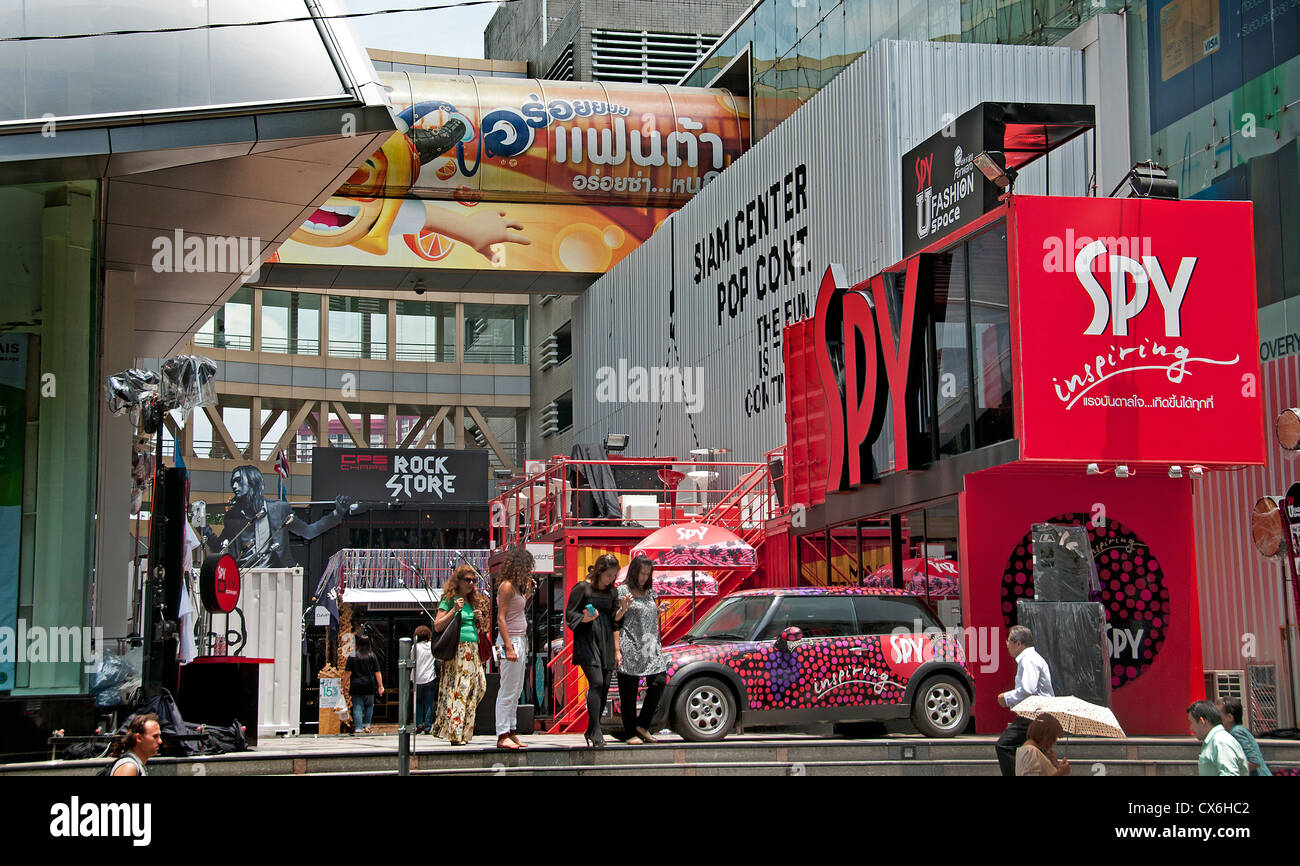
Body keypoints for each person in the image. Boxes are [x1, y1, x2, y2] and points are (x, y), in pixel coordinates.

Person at [201, 465, 354, 569]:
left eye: (238, 481)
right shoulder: (232, 515)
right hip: (242, 577)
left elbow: (308, 532)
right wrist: (203, 527)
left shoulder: (278, 509)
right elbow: (220, 548)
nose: (234, 487)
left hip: (278, 576)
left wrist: (337, 514)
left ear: (253, 482)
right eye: (232, 482)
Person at [565, 553, 628, 748]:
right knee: (597, 682)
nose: (611, 579)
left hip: (606, 639)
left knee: (606, 685)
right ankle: (597, 729)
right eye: (608, 575)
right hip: (587, 638)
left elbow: (615, 619)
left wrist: (624, 608)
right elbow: (570, 614)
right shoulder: (583, 588)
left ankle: (591, 729)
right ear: (600, 572)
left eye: (613, 576)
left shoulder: (612, 592)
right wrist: (584, 618)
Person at [614, 554, 671, 745]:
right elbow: (615, 619)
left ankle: (643, 725)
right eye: (642, 573)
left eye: (648, 574)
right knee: (629, 690)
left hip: (650, 644)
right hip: (630, 643)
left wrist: (659, 609)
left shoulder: (650, 592)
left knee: (659, 681)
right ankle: (630, 731)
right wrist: (623, 608)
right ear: (634, 572)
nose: (644, 578)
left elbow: (649, 614)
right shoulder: (622, 591)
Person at [433, 564, 489, 745]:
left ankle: (463, 729)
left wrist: (479, 620)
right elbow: (437, 625)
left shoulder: (472, 601)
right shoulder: (450, 599)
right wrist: (453, 611)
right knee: (460, 689)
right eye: (467, 580)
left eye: (473, 580)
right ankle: (456, 733)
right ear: (458, 581)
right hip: (458, 648)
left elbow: (474, 626)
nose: (471, 584)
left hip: (473, 649)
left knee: (479, 686)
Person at [994, 625, 1055, 777]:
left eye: (1008, 640)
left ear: (1019, 643)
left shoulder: (1028, 660)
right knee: (1035, 750)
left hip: (1035, 715)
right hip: (1037, 714)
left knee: (1004, 745)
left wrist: (1006, 698)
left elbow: (1028, 689)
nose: (1006, 644)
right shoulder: (1029, 659)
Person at [494, 546, 536, 750]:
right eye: (527, 568)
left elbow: (515, 612)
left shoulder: (516, 588)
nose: (529, 572)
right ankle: (502, 733)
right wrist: (509, 647)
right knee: (508, 688)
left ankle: (511, 730)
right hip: (510, 641)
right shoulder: (507, 587)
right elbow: (501, 618)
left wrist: (527, 594)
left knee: (516, 688)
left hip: (518, 640)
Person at [1188, 700, 1248, 776]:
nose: (1191, 728)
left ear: (1201, 721)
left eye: (1191, 722)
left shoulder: (1220, 741)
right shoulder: (1214, 741)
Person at [1216, 697, 1270, 776]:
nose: (1215, 718)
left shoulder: (1237, 732)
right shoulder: (1234, 732)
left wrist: (1229, 769)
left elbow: (1254, 762)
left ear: (1230, 717)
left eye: (1218, 715)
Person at [346, 634, 384, 734]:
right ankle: (367, 726)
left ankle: (358, 728)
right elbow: (377, 672)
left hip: (356, 684)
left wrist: (342, 684)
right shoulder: (372, 655)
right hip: (370, 684)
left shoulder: (353, 655)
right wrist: (380, 686)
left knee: (357, 706)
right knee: (369, 705)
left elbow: (348, 672)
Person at [411, 625, 437, 735]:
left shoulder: (415, 647)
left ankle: (418, 724)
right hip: (430, 677)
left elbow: (411, 660)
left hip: (417, 678)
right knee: (429, 703)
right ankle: (427, 726)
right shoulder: (432, 646)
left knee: (418, 702)